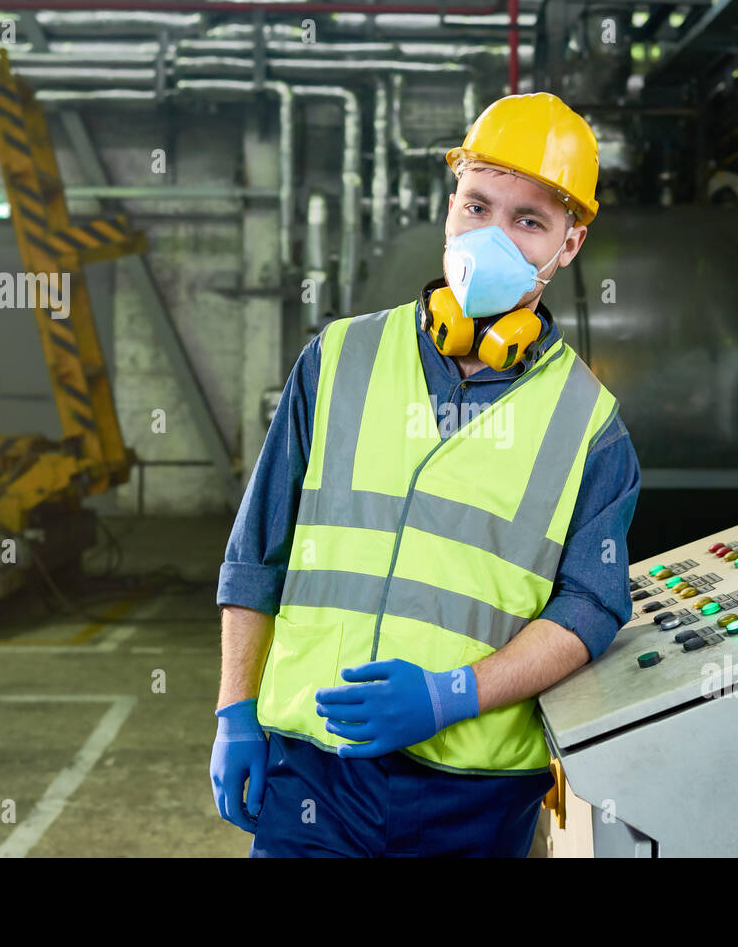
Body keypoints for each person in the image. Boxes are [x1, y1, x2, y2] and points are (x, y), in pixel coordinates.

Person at [211, 91, 641, 857]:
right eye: (477, 205)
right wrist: (234, 711)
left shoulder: (591, 425)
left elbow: (591, 608)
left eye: (529, 221)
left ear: (569, 245)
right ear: (450, 204)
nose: (491, 236)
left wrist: (450, 695)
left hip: (473, 798)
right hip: (312, 771)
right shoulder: (338, 359)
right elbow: (256, 556)